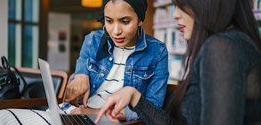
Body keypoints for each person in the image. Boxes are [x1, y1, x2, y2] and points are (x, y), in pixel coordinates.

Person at [95, 0, 261, 124]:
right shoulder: (231, 44)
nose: (175, 14)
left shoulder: (223, 48)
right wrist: (134, 96)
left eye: (181, 5)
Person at [64, 0, 169, 121]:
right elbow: (77, 83)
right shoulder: (93, 40)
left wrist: (95, 113)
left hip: (112, 120)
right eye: (109, 21)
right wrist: (80, 75)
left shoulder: (157, 51)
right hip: (80, 112)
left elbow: (152, 108)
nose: (116, 31)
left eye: (125, 22)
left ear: (140, 20)